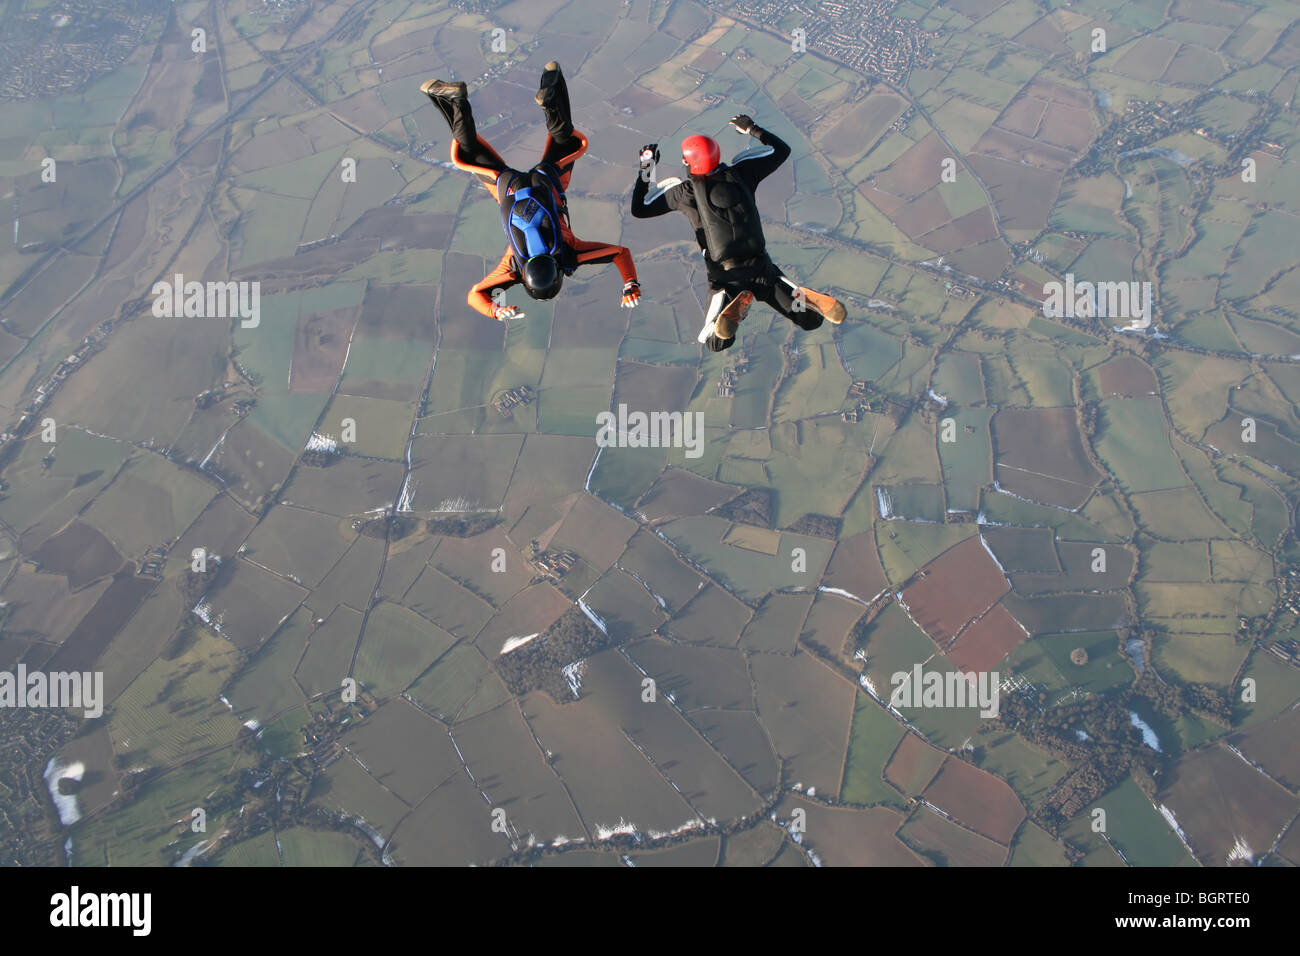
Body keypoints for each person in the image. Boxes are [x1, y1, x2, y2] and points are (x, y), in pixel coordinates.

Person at [421, 62, 642, 320]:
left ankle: (550, 97)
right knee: (469, 151)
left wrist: (630, 284)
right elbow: (474, 296)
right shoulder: (514, 267)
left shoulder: (569, 256)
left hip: (545, 183)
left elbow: (619, 253)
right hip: (508, 186)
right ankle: (457, 101)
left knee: (566, 140)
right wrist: (495, 311)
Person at [630, 115, 845, 351]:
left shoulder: (684, 194)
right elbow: (781, 150)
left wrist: (647, 167)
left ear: (688, 162)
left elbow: (640, 209)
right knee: (811, 321)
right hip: (762, 269)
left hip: (726, 278)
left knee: (715, 341)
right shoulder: (743, 173)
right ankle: (806, 299)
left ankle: (734, 309)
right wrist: (752, 129)